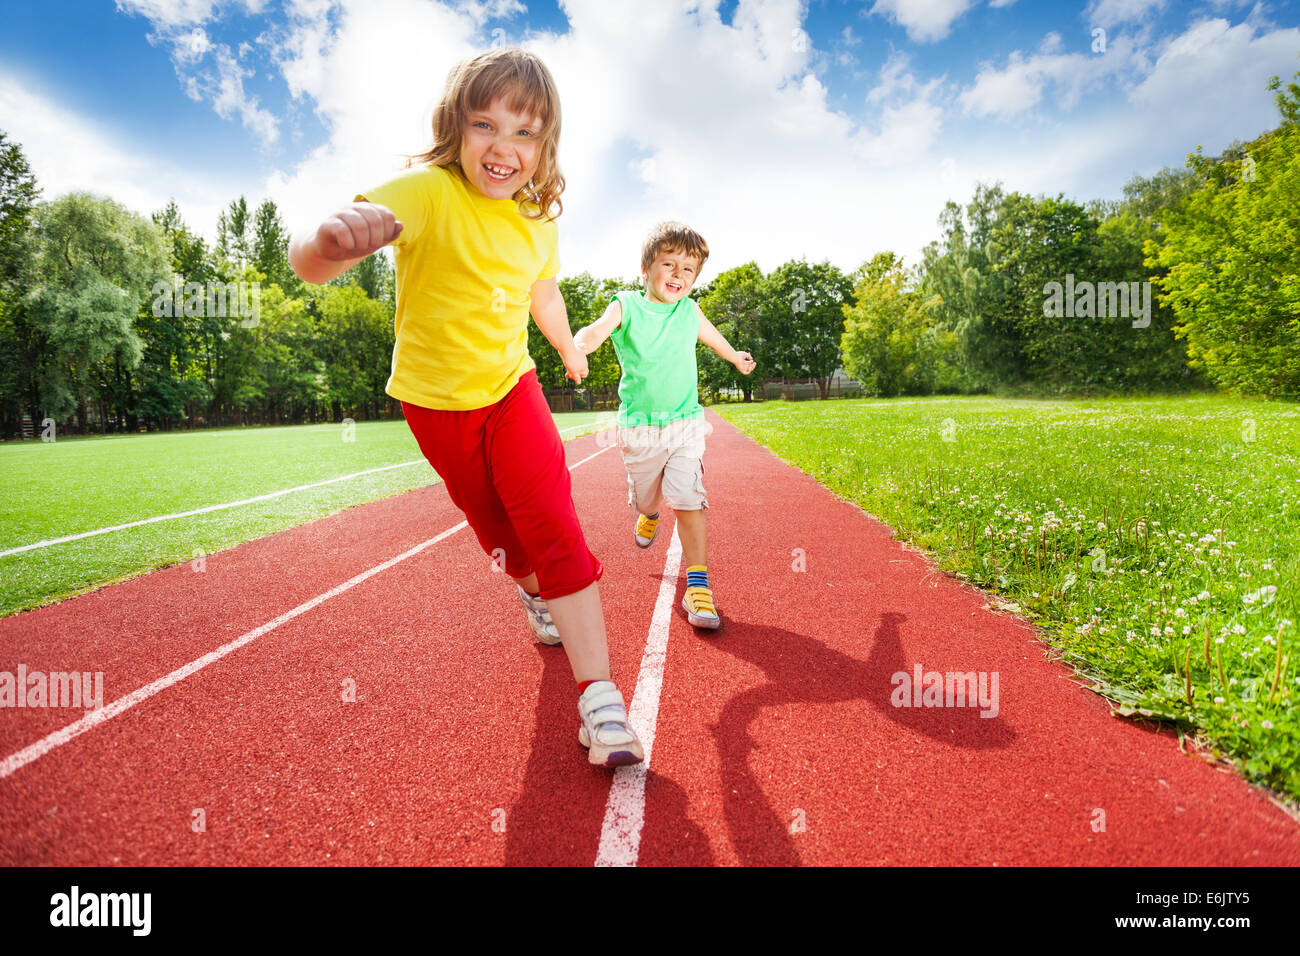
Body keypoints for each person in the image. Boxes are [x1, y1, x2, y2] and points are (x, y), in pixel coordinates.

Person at [287, 48, 644, 767]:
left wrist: (569, 348)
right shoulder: (424, 192)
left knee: (551, 517)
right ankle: (536, 594)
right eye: (485, 124)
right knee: (500, 534)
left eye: (524, 132)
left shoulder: (537, 225)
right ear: (455, 128)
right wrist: (325, 245)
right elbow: (318, 252)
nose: (502, 146)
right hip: (433, 405)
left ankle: (601, 698)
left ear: (544, 148)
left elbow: (543, 293)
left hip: (512, 390)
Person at [574, 222, 755, 630]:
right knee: (646, 500)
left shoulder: (688, 310)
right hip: (640, 429)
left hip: (685, 423)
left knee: (690, 495)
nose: (678, 275)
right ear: (645, 268)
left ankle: (699, 584)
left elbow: (713, 338)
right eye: (669, 264)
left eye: (688, 269)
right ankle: (649, 513)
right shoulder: (626, 305)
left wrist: (734, 357)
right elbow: (596, 330)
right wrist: (578, 348)